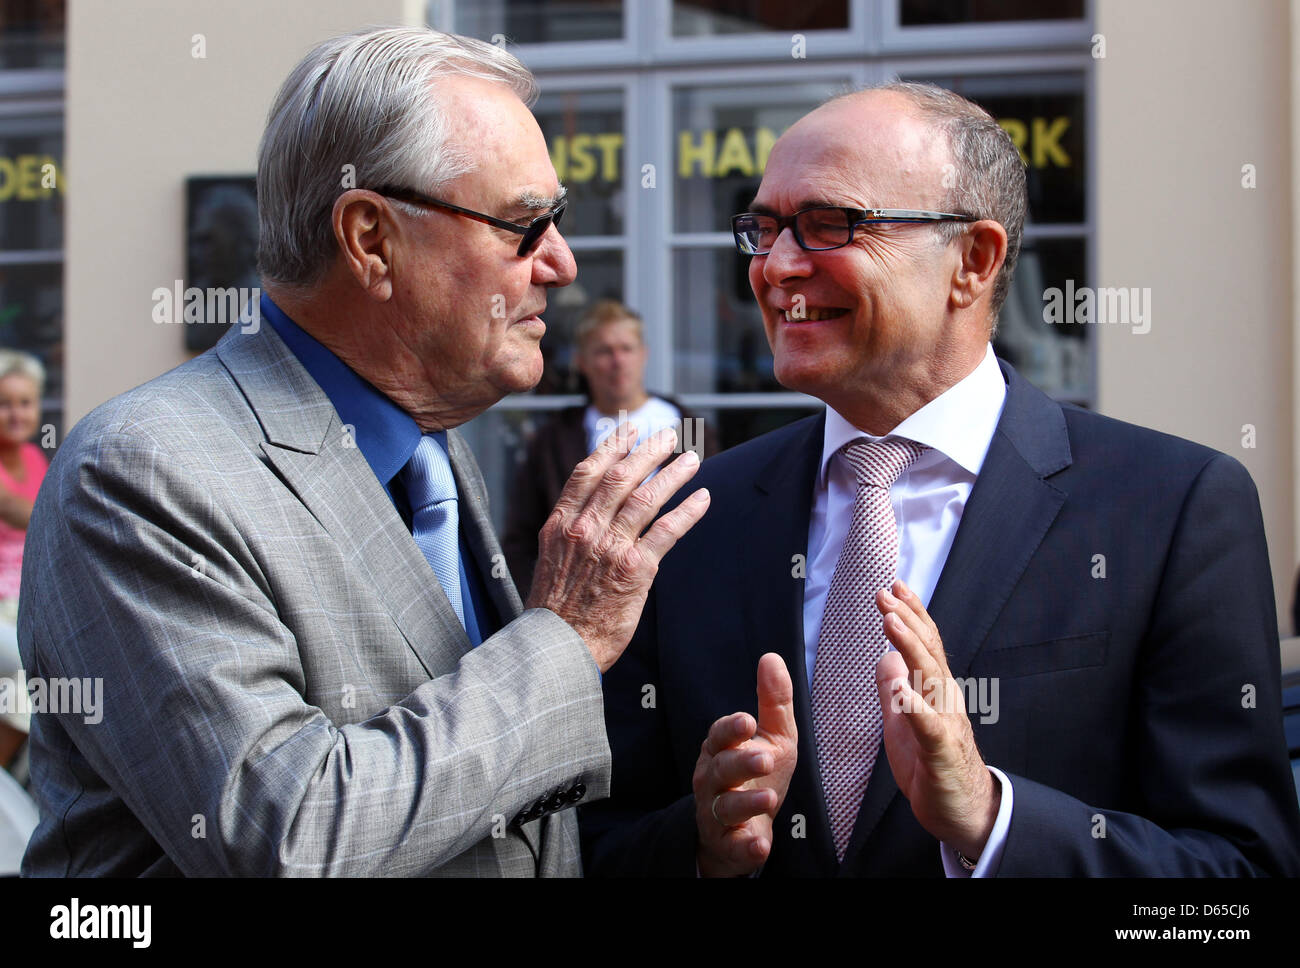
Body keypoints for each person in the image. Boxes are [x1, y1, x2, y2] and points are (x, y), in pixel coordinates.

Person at [17, 26, 708, 877]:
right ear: (372, 239)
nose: (561, 264)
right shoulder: (139, 472)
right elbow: (295, 837)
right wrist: (563, 637)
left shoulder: (427, 453)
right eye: (524, 226)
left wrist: (691, 844)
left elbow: (484, 823)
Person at [580, 82, 1300, 876]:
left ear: (974, 260)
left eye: (829, 226)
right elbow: (596, 842)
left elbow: (1235, 886)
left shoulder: (1172, 510)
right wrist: (701, 844)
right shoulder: (692, 520)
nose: (777, 266)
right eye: (764, 229)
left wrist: (993, 823)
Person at [504, 299, 715, 596]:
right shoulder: (555, 438)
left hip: (679, 590)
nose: (618, 361)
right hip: (583, 593)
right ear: (581, 361)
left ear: (644, 354)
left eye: (627, 349)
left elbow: (714, 512)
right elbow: (523, 535)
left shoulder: (688, 426)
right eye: (604, 351)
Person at [0, 349, 49, 781]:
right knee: (24, 674)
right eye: (4, 403)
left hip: (30, 599)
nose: (16, 413)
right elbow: (31, 515)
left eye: (25, 402)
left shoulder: (34, 458)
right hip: (1, 607)